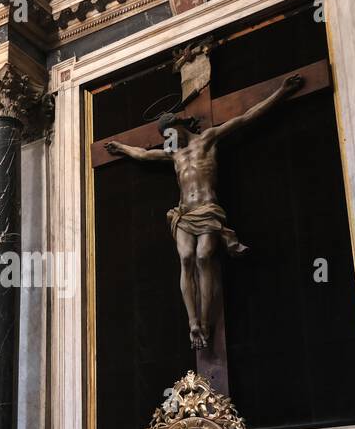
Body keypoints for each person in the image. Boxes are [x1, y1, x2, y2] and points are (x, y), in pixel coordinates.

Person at [104, 73, 303, 350]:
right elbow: (144, 154)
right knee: (186, 258)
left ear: (177, 126)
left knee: (203, 257)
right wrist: (122, 148)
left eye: (167, 134)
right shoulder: (174, 155)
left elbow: (245, 118)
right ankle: (192, 322)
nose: (166, 140)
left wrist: (280, 92)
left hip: (207, 210)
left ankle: (206, 321)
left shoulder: (207, 140)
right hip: (184, 213)